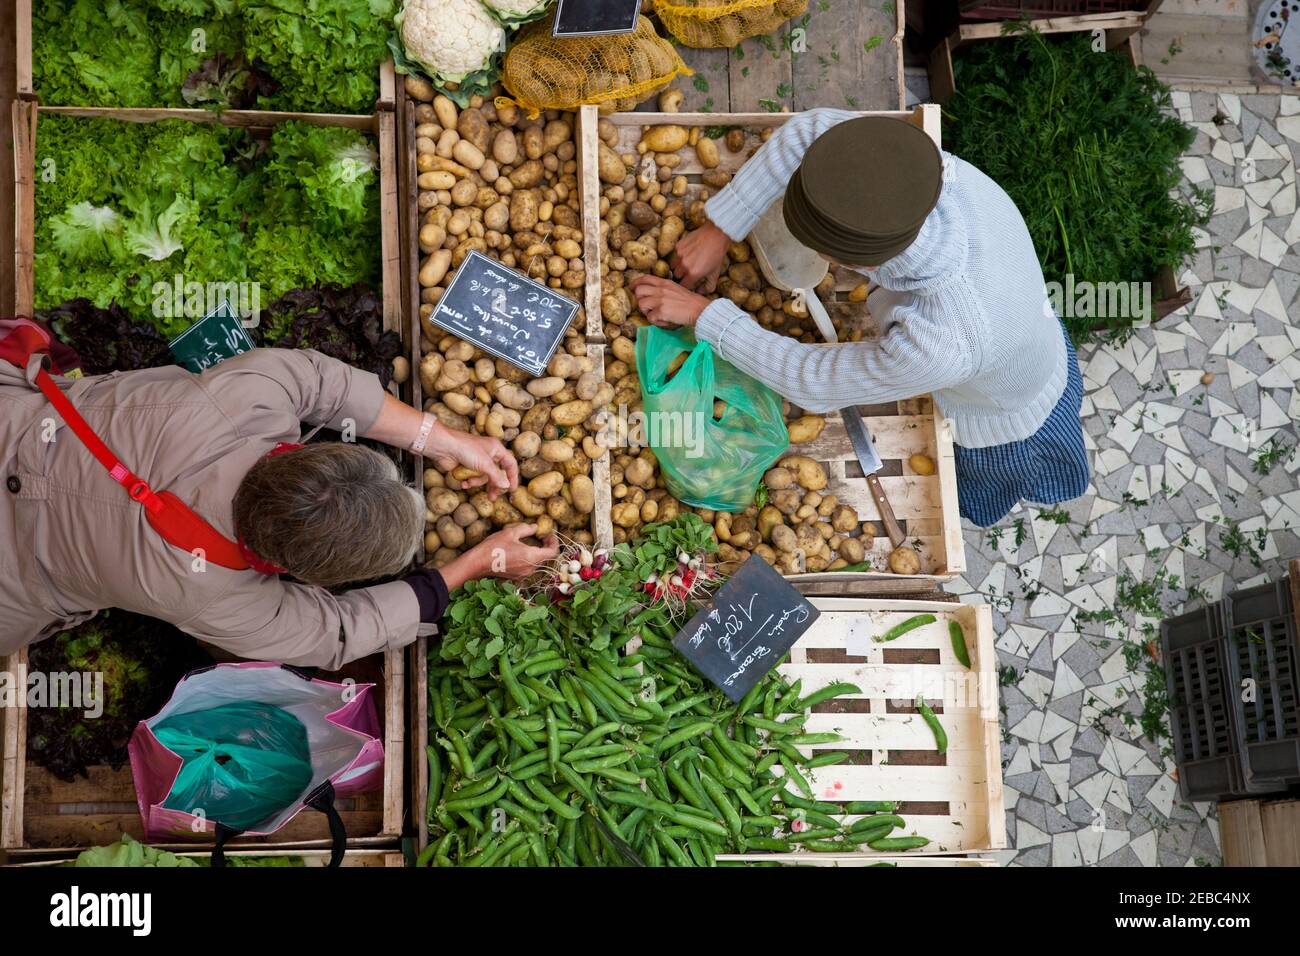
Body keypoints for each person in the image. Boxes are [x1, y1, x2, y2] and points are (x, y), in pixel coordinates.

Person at [630, 111, 1089, 528]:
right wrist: (720, 229)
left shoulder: (945, 342)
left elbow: (811, 380)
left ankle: (982, 508)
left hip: (1011, 408)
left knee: (991, 472)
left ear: (851, 264)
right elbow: (810, 133)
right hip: (1027, 321)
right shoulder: (927, 175)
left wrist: (701, 314)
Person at [0, 344, 558, 667]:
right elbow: (343, 631)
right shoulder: (223, 601)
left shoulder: (241, 401)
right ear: (300, 576)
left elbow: (321, 383)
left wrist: (442, 439)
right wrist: (475, 565)